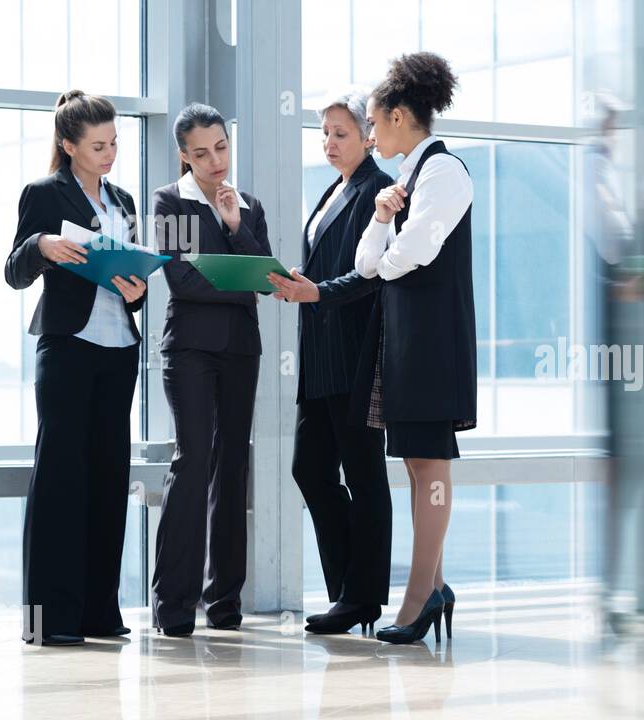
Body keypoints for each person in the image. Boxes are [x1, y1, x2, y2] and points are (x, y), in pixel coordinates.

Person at [4, 90, 147, 646]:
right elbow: (15, 271)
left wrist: (136, 292)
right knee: (60, 478)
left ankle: (97, 613)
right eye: (97, 145)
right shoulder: (45, 194)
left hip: (118, 349)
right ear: (68, 146)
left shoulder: (125, 201)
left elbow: (130, 284)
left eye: (114, 142)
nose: (109, 153)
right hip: (67, 348)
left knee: (109, 476)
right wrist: (42, 245)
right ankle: (50, 621)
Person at [264, 89, 395, 634]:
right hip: (320, 358)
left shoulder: (380, 192)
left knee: (364, 475)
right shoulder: (331, 191)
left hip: (356, 356)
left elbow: (374, 273)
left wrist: (315, 292)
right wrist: (298, 283)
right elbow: (327, 265)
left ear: (369, 135)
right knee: (310, 470)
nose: (329, 143)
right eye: (324, 134)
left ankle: (361, 595)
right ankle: (346, 589)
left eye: (341, 133)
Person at [357, 51, 476, 644]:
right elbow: (368, 261)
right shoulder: (407, 178)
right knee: (416, 465)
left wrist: (385, 253)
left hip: (432, 343)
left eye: (374, 123)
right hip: (407, 342)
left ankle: (419, 596)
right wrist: (380, 222)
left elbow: (416, 253)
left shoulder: (444, 172)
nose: (370, 133)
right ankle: (436, 585)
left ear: (401, 116)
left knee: (430, 465)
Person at [148, 103, 270, 637]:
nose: (215, 160)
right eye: (201, 153)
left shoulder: (249, 205)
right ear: (183, 155)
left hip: (241, 350)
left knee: (232, 469)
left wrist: (235, 227)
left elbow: (266, 280)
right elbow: (182, 283)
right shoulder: (169, 202)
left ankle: (224, 602)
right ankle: (173, 606)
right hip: (190, 351)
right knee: (193, 461)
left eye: (220, 147)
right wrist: (242, 281)